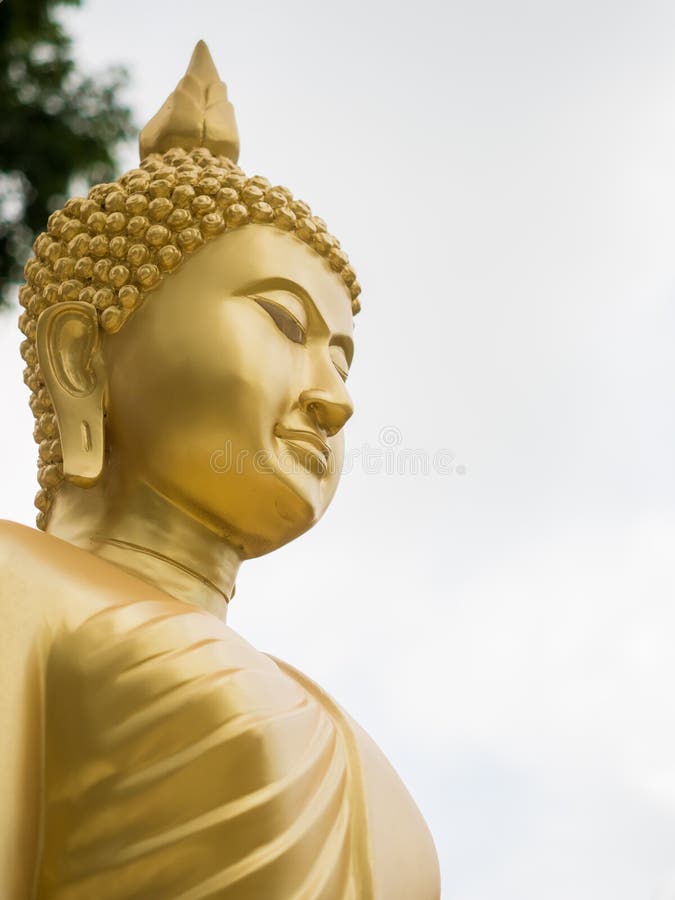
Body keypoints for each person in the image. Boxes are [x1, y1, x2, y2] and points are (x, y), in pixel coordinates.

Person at [1, 42, 441, 898]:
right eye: (283, 323)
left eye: (342, 359)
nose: (333, 400)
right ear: (83, 354)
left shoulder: (354, 749)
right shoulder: (18, 588)